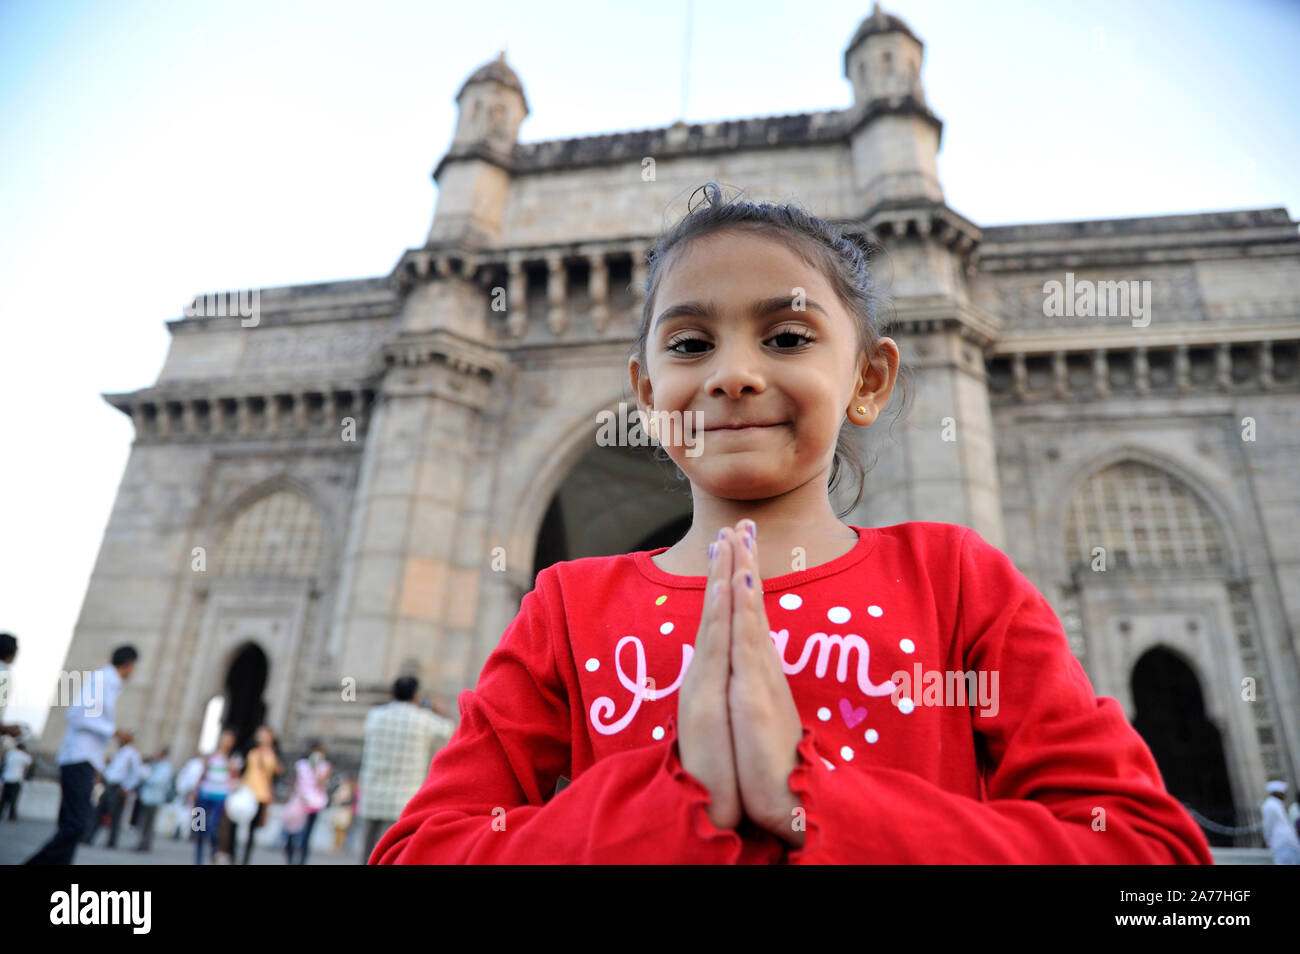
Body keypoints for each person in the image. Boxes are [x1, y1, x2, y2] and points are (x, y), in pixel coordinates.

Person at [368, 182, 1216, 865]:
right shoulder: (564, 610)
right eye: (691, 344)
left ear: (869, 380)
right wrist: (679, 796)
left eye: (786, 335)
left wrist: (804, 798)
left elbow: (1154, 856)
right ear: (645, 392)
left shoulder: (956, 583)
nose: (734, 372)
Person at [26, 644, 137, 865]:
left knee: (71, 824)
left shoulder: (110, 683)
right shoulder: (103, 680)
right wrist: (113, 731)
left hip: (83, 760)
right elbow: (78, 715)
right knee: (77, 823)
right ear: (129, 665)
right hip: (78, 758)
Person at [358, 675, 453, 862]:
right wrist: (439, 710)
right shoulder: (424, 720)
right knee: (393, 856)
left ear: (391, 693)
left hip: (371, 797)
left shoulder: (374, 717)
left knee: (367, 855)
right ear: (416, 695)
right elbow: (450, 731)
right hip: (402, 801)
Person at [220, 724, 283, 865]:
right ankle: (231, 855)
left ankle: (245, 860)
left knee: (251, 831)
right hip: (246, 792)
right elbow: (244, 769)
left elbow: (277, 773)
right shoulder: (251, 751)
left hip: (262, 794)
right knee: (233, 823)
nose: (260, 736)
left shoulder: (272, 754)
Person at [85, 731, 143, 847]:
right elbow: (113, 770)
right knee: (99, 812)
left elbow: (136, 774)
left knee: (115, 816)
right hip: (109, 785)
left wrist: (127, 787)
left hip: (119, 788)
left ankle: (111, 842)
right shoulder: (119, 753)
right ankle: (88, 837)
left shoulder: (132, 754)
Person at [192, 728, 240, 864]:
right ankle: (198, 860)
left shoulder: (232, 758)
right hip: (204, 794)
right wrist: (195, 790)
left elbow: (235, 778)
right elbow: (203, 773)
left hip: (220, 796)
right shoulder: (211, 756)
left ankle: (214, 854)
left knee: (213, 827)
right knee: (198, 827)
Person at [285, 741, 331, 864]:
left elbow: (321, 785)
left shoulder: (324, 767)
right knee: (292, 831)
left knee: (307, 834)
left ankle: (302, 860)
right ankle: (290, 858)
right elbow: (294, 783)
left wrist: (316, 770)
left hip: (313, 804)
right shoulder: (300, 765)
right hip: (298, 802)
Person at [134, 746, 174, 852]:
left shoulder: (165, 767)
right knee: (143, 822)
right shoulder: (155, 765)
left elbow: (158, 780)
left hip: (154, 798)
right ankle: (141, 842)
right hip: (147, 797)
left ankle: (146, 843)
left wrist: (147, 777)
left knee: (149, 823)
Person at [1260, 780, 1300, 865]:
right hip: (1280, 841)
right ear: (1277, 793)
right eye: (1283, 792)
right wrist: (1266, 840)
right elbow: (1268, 825)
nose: (1285, 795)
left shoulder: (1277, 804)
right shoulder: (1269, 805)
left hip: (1287, 840)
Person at [1, 741, 33, 820]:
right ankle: (11, 815)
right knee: (14, 798)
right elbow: (30, 761)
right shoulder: (22, 755)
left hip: (6, 778)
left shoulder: (10, 754)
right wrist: (27, 753)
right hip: (16, 779)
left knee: (4, 798)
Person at [330, 774, 356, 852]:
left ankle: (340, 846)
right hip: (339, 810)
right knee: (337, 828)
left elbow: (347, 799)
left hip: (344, 811)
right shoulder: (340, 787)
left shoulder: (349, 788)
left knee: (342, 829)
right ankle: (336, 845)